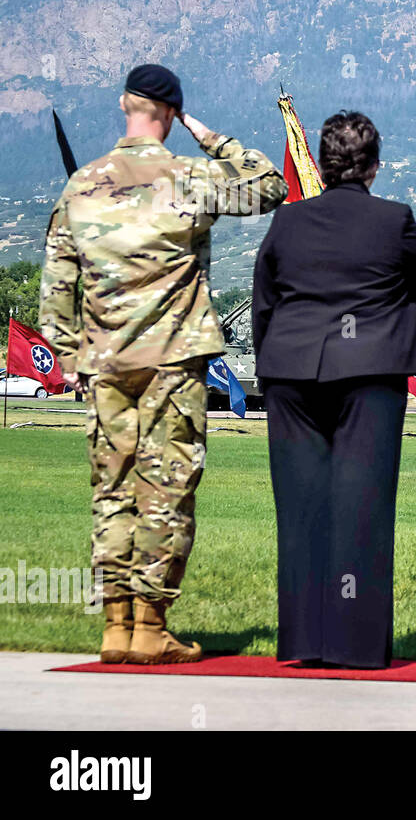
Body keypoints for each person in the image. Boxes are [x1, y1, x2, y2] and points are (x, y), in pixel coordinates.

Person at [39, 63, 287, 664]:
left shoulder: (83, 185)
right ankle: (151, 625)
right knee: (166, 487)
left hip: (103, 362)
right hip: (173, 361)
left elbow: (57, 284)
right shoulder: (189, 177)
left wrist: (68, 355)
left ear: (124, 106)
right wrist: (210, 135)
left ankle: (115, 625)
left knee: (112, 487)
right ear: (170, 114)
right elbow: (270, 183)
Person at [252, 111, 416, 669]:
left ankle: (307, 640)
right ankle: (356, 644)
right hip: (370, 370)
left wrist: (277, 357)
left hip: (291, 371)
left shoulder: (286, 222)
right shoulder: (394, 219)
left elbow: (265, 301)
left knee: (302, 506)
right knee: (363, 504)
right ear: (375, 167)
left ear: (324, 166)